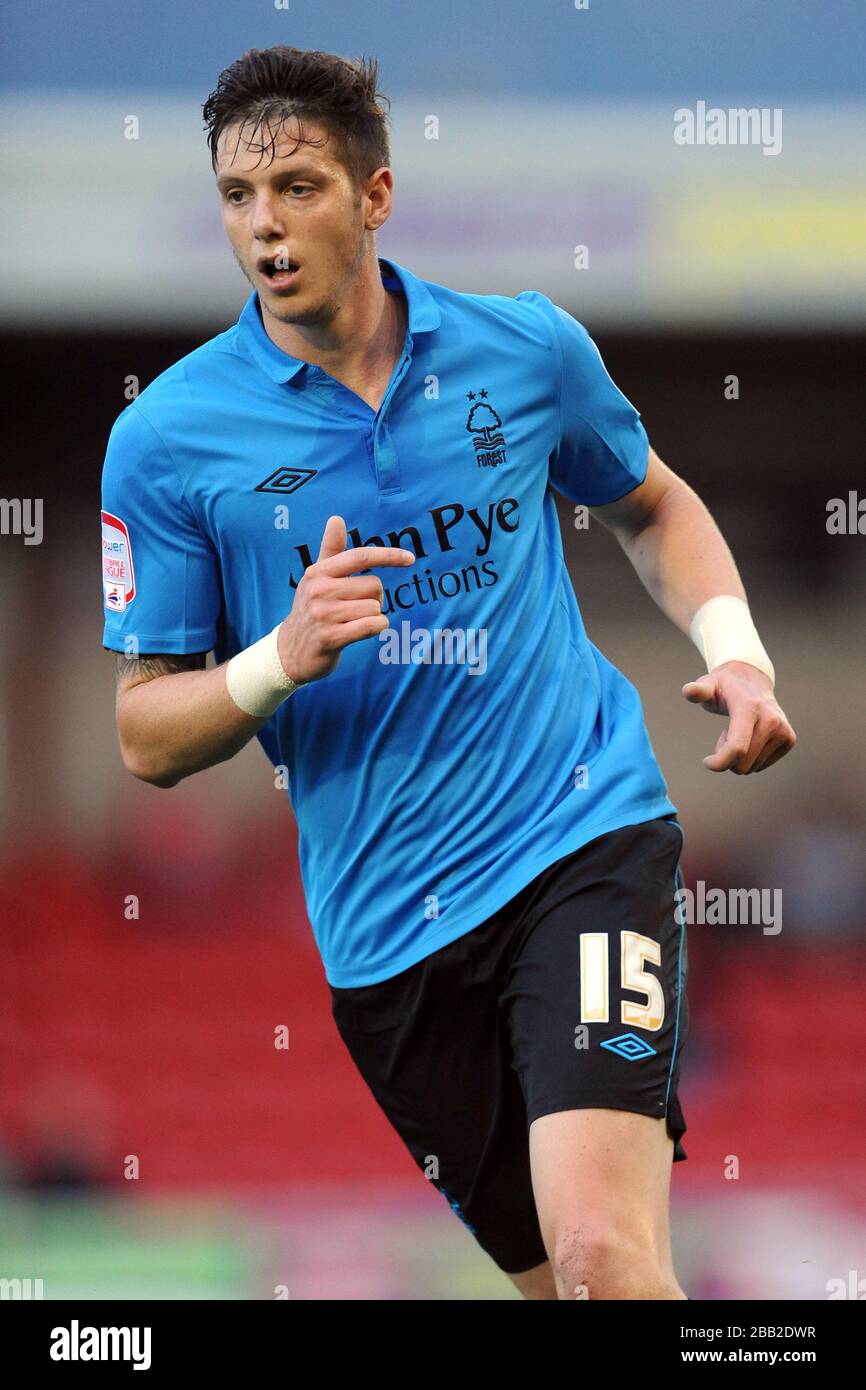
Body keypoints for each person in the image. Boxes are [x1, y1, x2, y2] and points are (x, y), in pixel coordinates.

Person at [100, 45, 796, 1300]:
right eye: (237, 198)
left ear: (373, 195)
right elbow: (146, 735)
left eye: (298, 187)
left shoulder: (524, 351)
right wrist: (278, 658)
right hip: (388, 938)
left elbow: (650, 502)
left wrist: (735, 656)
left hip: (578, 833)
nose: (265, 224)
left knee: (602, 1263)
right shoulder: (164, 440)